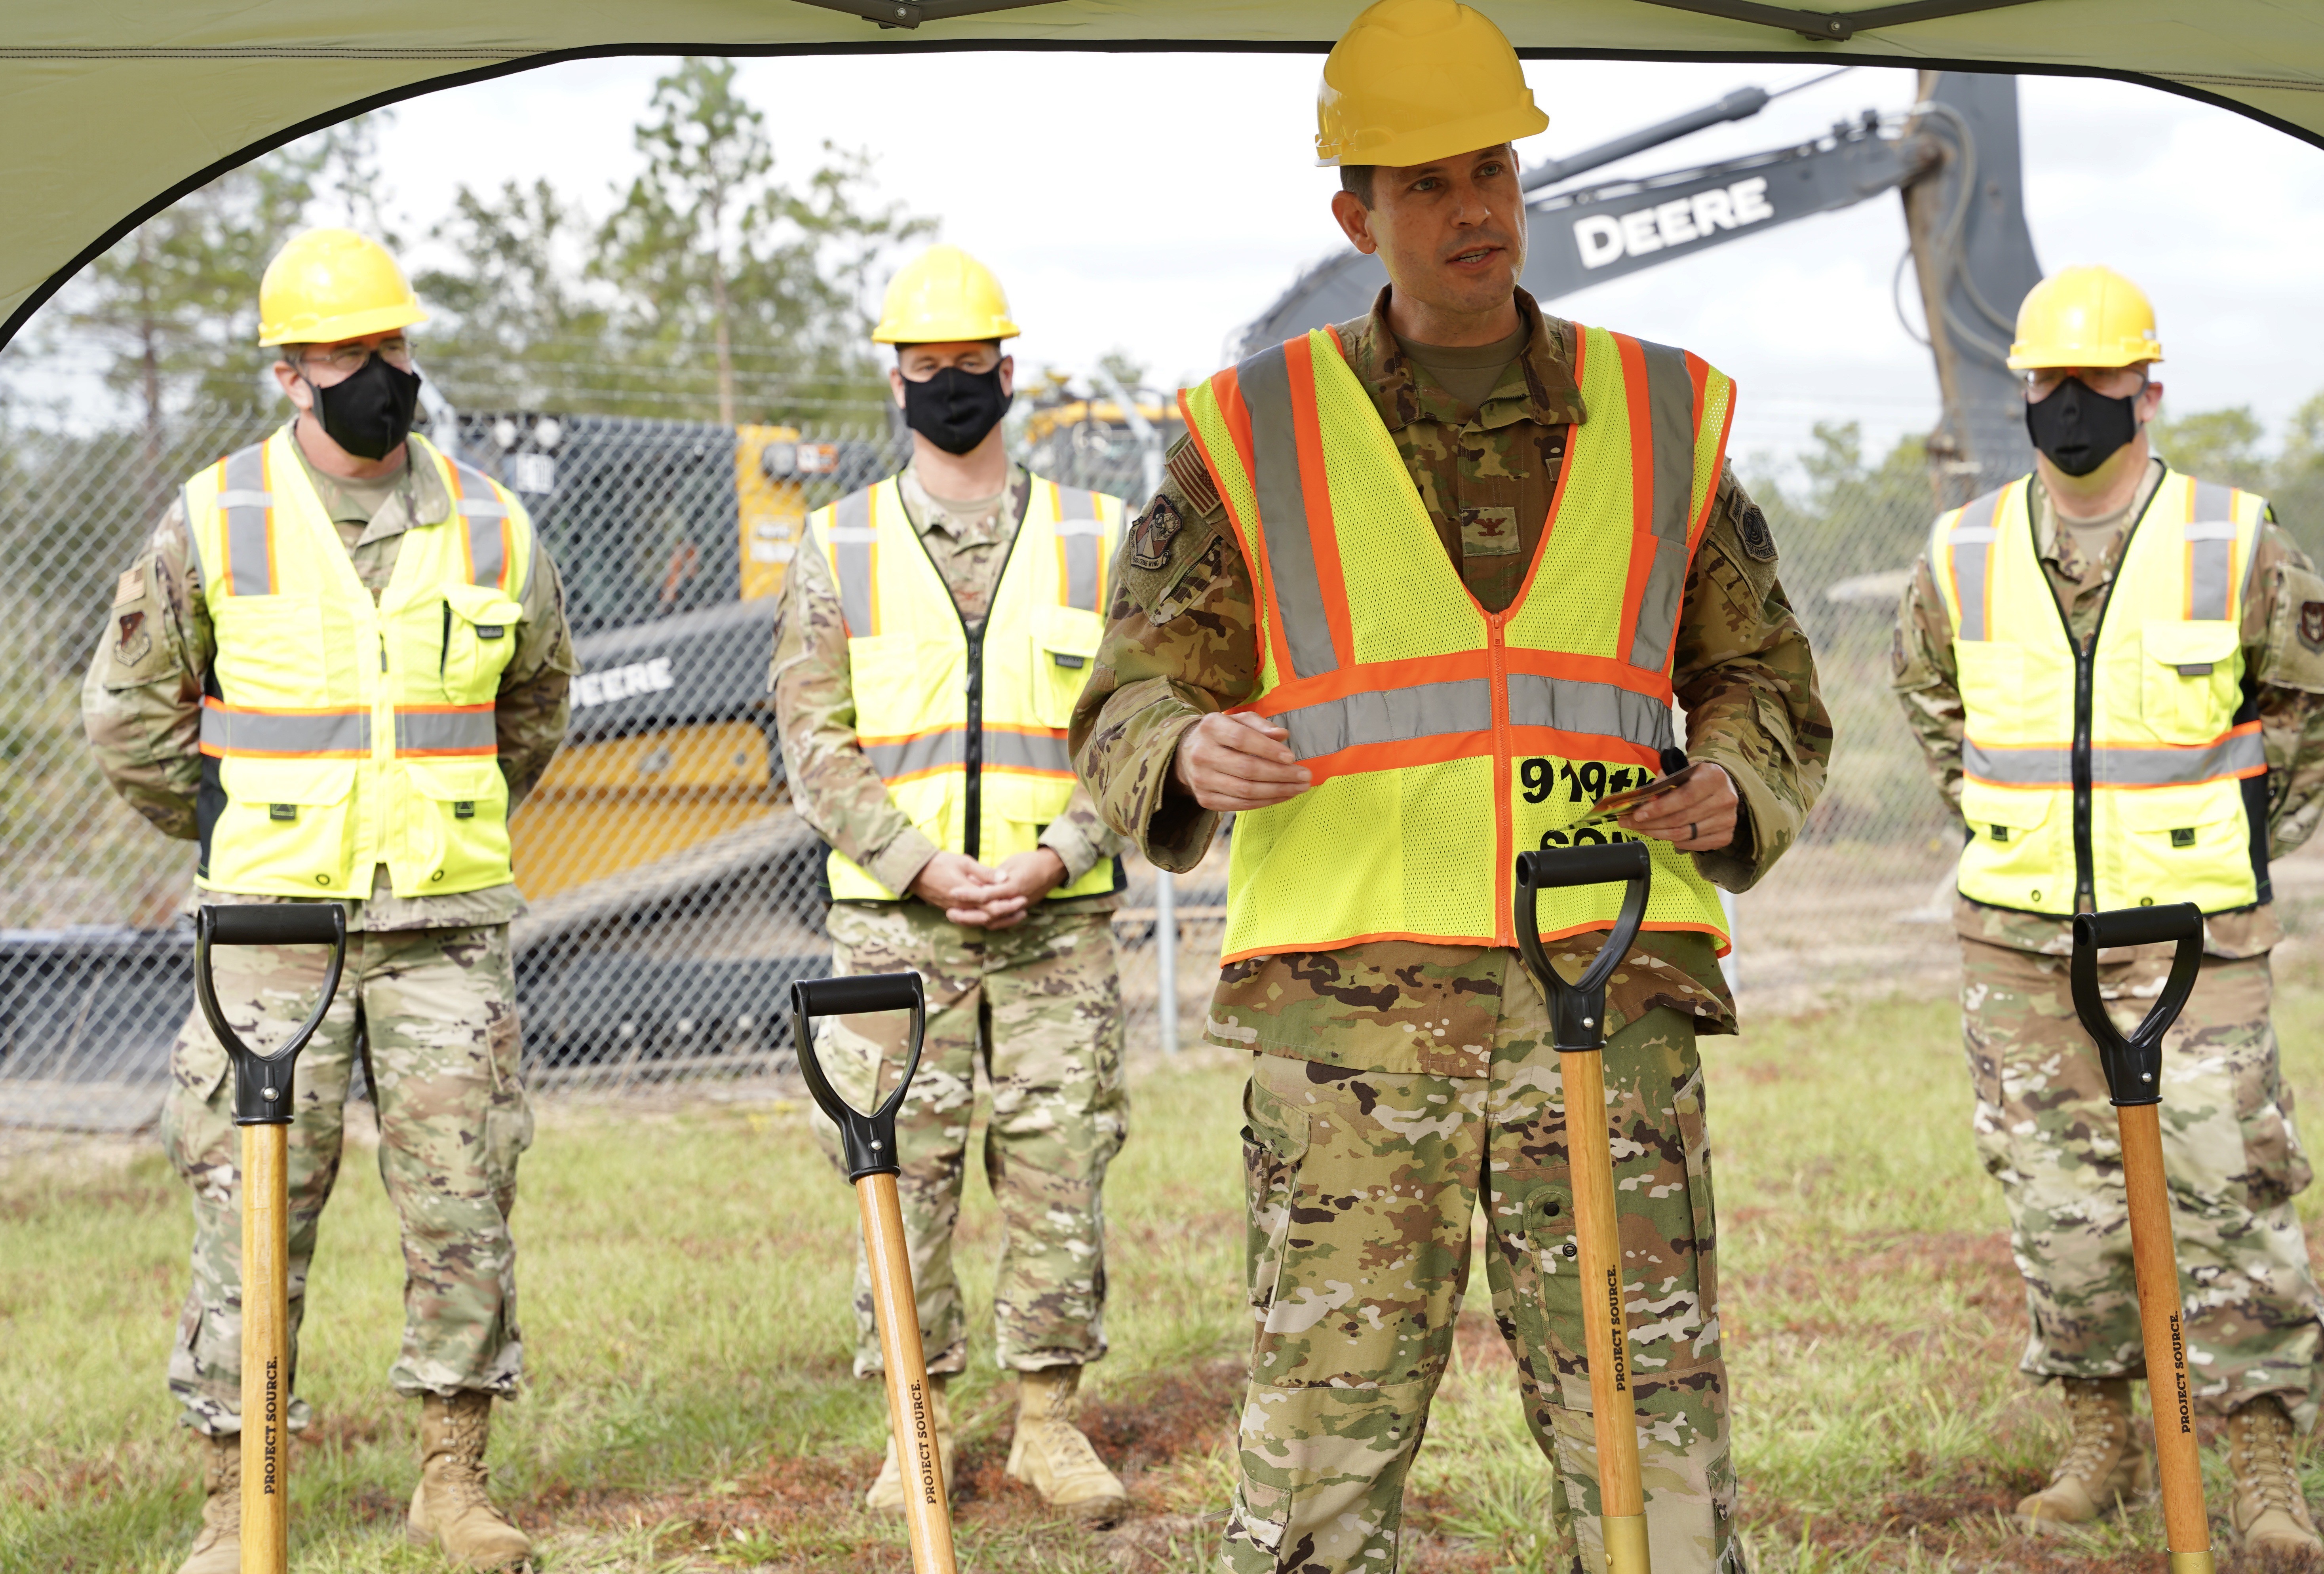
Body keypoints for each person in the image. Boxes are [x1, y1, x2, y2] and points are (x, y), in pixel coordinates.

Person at [1069, 3, 1830, 1568]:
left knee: (1648, 1426)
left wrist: (1731, 783)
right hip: (1351, 1028)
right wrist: (1184, 750)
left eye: (1489, 169)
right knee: (1322, 1448)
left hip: (1607, 1010)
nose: (1471, 207)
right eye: (1426, 184)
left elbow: (1763, 683)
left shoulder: (1664, 414)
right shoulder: (1251, 433)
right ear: (1356, 216)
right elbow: (1131, 694)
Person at [82, 227, 574, 1574]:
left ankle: (454, 1483)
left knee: (465, 1201)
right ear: (293, 373)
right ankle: (238, 1500)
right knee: (249, 1213)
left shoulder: (491, 516)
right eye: (353, 354)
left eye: (396, 347)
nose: (383, 375)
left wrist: (443, 817)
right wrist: (229, 824)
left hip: (443, 932)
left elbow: (532, 703)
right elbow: (127, 710)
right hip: (267, 936)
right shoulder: (217, 515)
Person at [1893, 264, 2324, 1556]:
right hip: (2019, 938)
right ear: (2022, 389)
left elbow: (2305, 707)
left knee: (2227, 1185)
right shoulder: (1961, 548)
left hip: (2194, 938)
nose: (2071, 404)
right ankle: (2099, 1434)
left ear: (2149, 388)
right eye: (2048, 382)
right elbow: (1929, 700)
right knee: (2056, 1195)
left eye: (2096, 382)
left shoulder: (2236, 540)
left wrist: (2241, 838)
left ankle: (2260, 1461)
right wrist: (2012, 825)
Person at [772, 243, 1134, 1524]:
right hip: (890, 932)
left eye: (969, 361)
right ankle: (911, 1432)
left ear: (1008, 366)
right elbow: (814, 743)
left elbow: (1137, 729)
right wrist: (920, 863)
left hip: (1058, 928)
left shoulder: (1102, 537)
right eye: (925, 365)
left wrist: (1056, 857)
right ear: (895, 377)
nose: (949, 382)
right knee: (892, 1174)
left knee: (1058, 1170)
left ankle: (1049, 1424)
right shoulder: (840, 543)